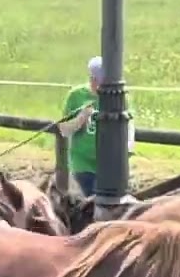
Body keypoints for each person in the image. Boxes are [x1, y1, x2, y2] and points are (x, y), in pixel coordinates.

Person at [57, 55, 136, 198]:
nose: (98, 84)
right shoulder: (76, 96)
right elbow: (64, 130)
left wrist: (128, 147)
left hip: (110, 163)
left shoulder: (118, 97)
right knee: (88, 203)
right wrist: (81, 118)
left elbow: (129, 124)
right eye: (96, 80)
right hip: (83, 164)